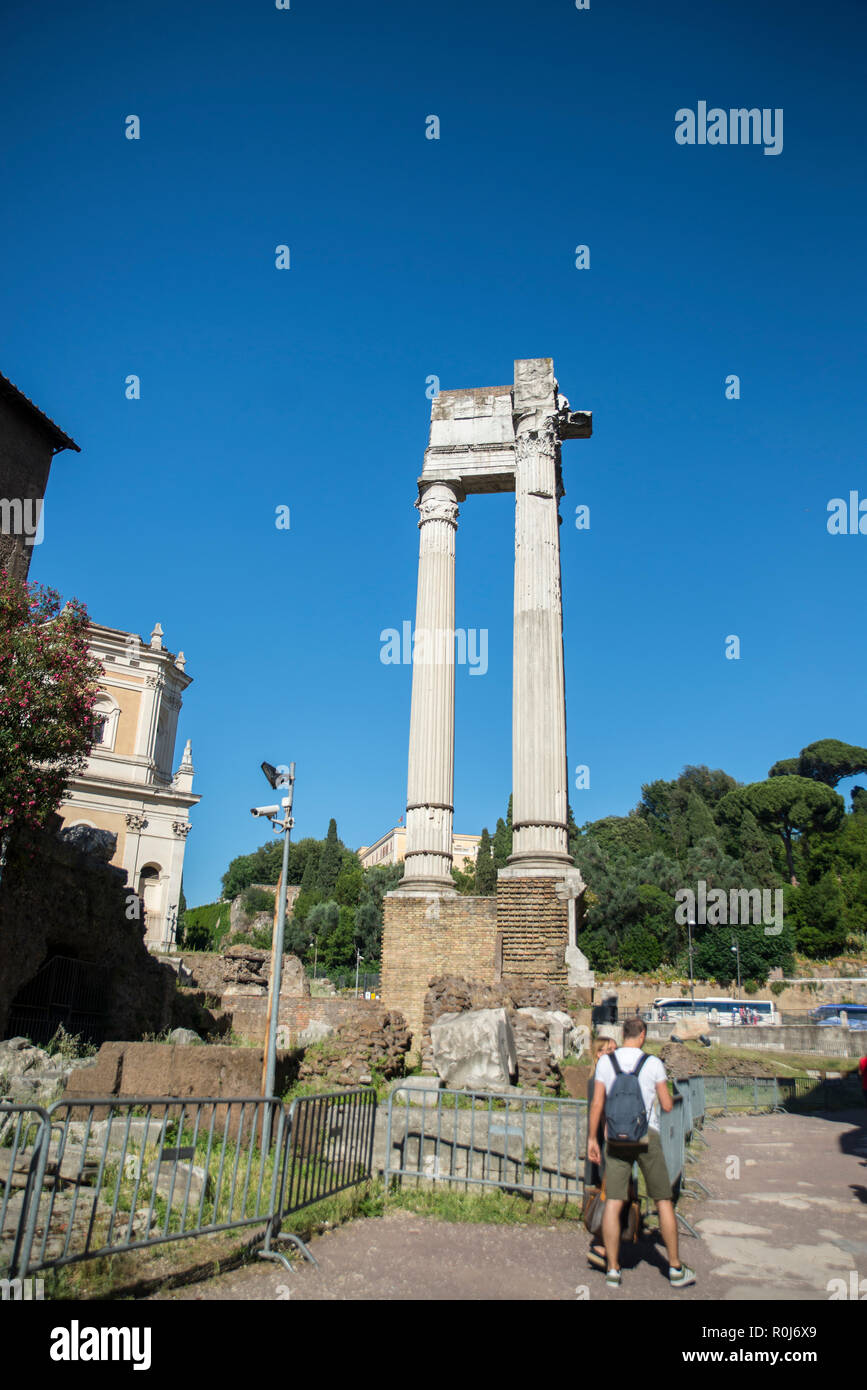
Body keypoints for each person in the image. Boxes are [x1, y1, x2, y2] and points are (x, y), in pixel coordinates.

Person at [587, 1016, 696, 1289]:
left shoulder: (605, 1062)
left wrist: (592, 1138)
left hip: (614, 1137)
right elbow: (668, 1106)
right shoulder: (653, 1063)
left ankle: (613, 1269)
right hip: (648, 1136)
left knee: (613, 1201)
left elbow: (597, 1103)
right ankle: (674, 1268)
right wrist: (665, 1094)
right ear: (643, 1034)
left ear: (623, 1034)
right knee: (663, 1201)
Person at [586, 1037, 616, 1268]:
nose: (613, 1054)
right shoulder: (599, 1079)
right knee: (608, 1193)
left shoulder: (601, 1076)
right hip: (604, 1142)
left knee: (607, 1192)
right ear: (598, 1054)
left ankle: (604, 1242)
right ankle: (602, 1244)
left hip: (602, 1141)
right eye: (608, 1050)